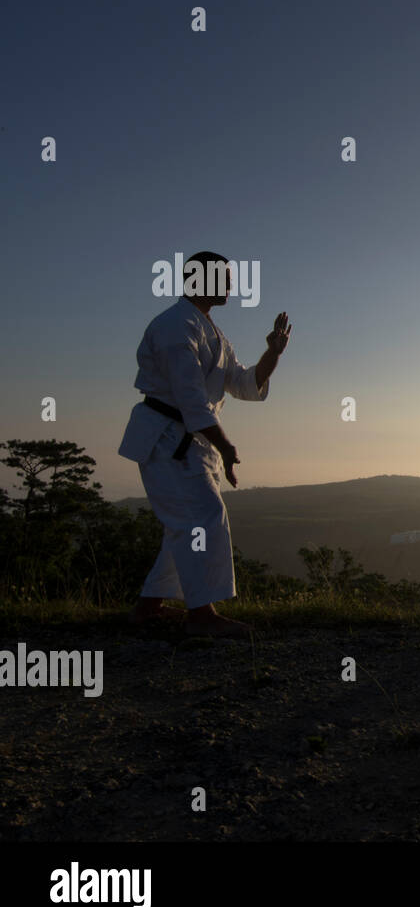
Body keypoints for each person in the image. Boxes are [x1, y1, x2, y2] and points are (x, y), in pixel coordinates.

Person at [118, 251, 291, 638]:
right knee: (204, 517)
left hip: (191, 441)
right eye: (225, 277)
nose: (231, 284)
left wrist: (273, 354)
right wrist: (227, 447)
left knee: (185, 524)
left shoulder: (208, 330)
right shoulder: (175, 327)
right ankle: (202, 615)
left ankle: (147, 608)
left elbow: (245, 384)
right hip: (167, 439)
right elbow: (191, 399)